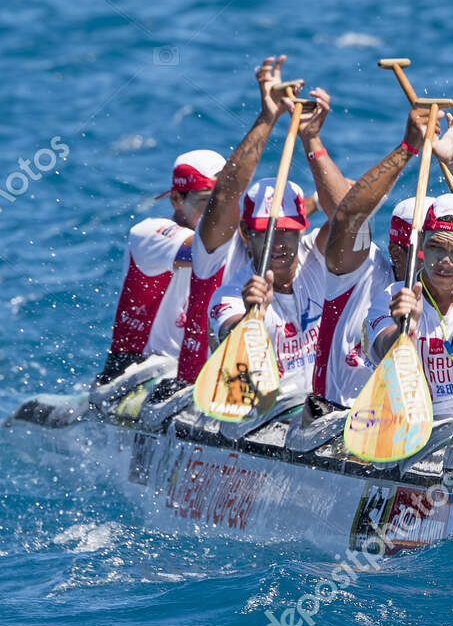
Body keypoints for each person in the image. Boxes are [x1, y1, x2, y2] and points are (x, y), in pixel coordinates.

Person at [316, 106, 453, 414]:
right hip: (371, 416)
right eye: (432, 247)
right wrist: (405, 331)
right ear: (406, 247)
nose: (441, 260)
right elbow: (347, 217)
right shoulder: (381, 286)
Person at [175, 55, 349, 392]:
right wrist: (268, 117)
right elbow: (223, 197)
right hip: (222, 393)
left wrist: (311, 139)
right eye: (266, 233)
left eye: (287, 232)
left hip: (308, 406)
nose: (277, 243)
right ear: (244, 232)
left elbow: (349, 219)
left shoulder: (314, 256)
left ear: (303, 229)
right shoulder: (223, 266)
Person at [96, 148, 225, 385]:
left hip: (187, 371)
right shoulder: (148, 234)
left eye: (223, 201)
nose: (216, 212)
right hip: (131, 373)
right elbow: (204, 250)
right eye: (207, 201)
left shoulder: (230, 241)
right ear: (176, 200)